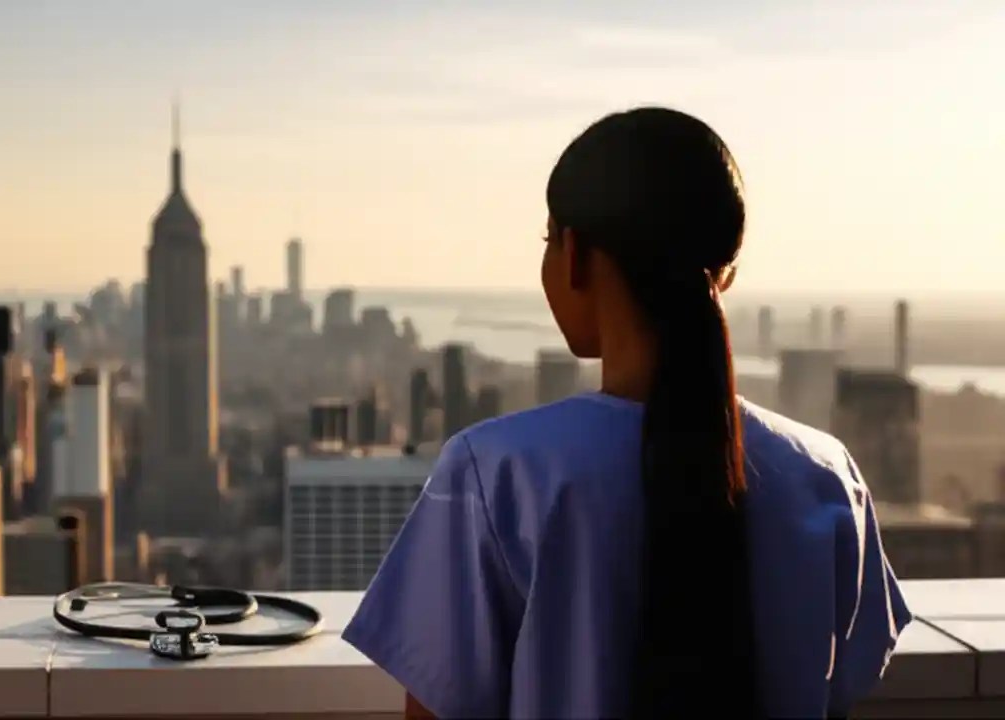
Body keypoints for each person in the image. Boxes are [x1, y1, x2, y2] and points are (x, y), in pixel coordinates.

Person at [341, 107, 911, 719]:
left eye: (547, 241)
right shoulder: (827, 476)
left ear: (576, 254)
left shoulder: (495, 475)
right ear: (727, 272)